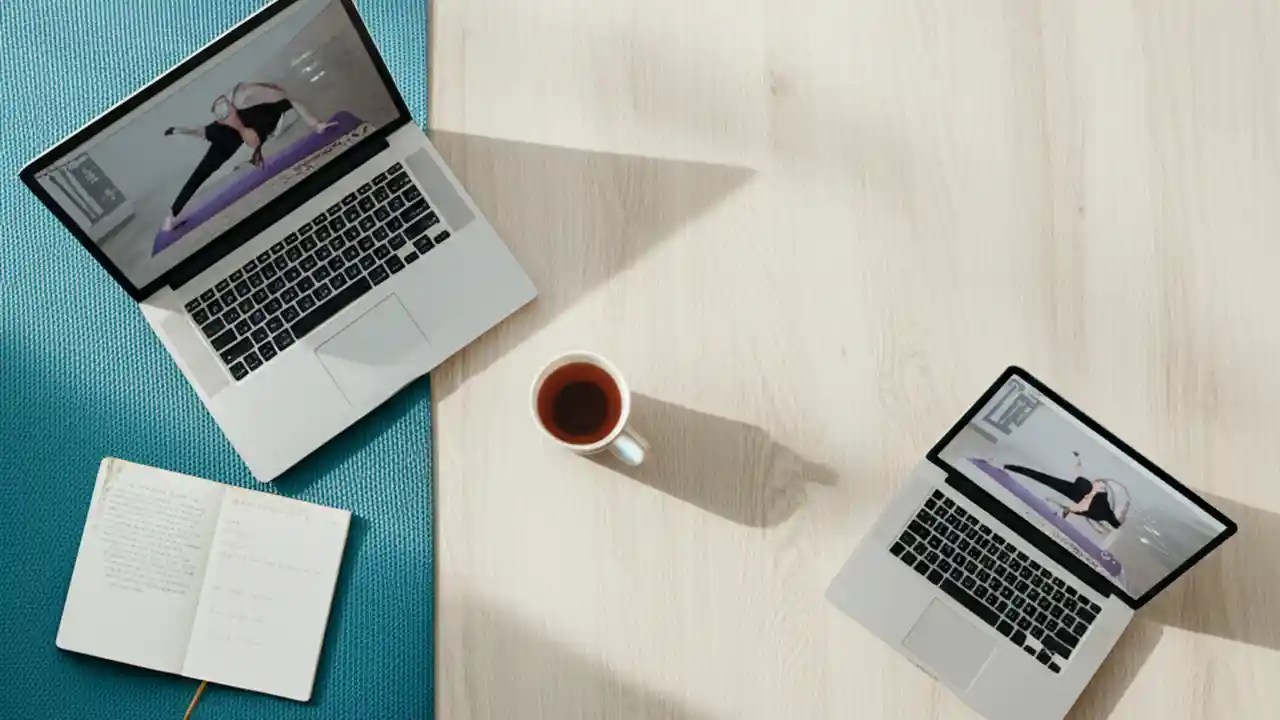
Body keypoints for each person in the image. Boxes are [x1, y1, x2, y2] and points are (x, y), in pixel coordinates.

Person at [160, 82, 337, 232]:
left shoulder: (259, 109)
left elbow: (289, 104)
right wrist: (180, 130)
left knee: (202, 171)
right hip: (234, 131)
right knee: (202, 171)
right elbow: (205, 130)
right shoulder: (244, 111)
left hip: (239, 128)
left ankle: (171, 214)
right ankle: (172, 214)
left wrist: (316, 124)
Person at [1004, 451, 1126, 529]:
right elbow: (1082, 511)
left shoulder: (1106, 508)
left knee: (1049, 478)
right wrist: (1068, 509)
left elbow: (1100, 494)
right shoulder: (1100, 516)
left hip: (1081, 487)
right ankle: (1011, 467)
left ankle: (1077, 460)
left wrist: (1097, 490)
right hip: (1074, 493)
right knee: (1045, 479)